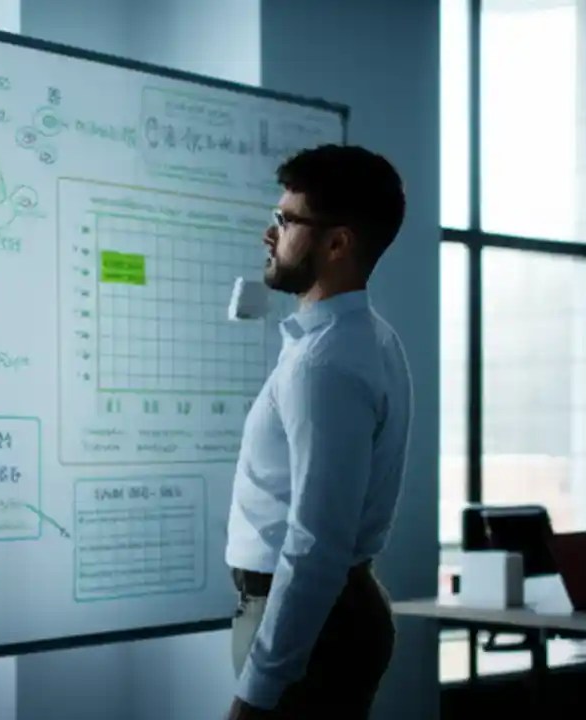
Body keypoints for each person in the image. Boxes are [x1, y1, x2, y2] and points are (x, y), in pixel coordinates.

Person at [225, 144, 413, 719]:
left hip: (314, 626)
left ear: (337, 243)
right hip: (334, 615)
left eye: (285, 220)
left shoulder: (323, 365)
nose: (269, 233)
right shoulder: (367, 338)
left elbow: (315, 545)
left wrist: (256, 694)